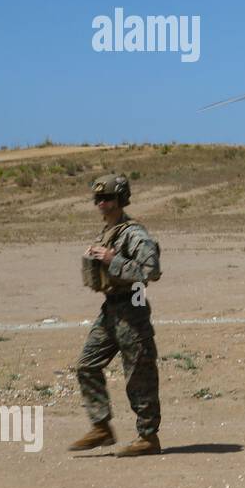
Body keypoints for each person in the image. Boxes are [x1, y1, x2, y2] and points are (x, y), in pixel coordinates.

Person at [67, 174, 164, 456]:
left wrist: (113, 260)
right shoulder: (110, 232)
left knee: (138, 374)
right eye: (98, 199)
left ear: (120, 199)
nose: (102, 204)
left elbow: (150, 271)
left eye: (107, 198)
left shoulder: (134, 234)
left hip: (132, 308)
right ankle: (101, 426)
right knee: (86, 365)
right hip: (110, 309)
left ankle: (148, 437)